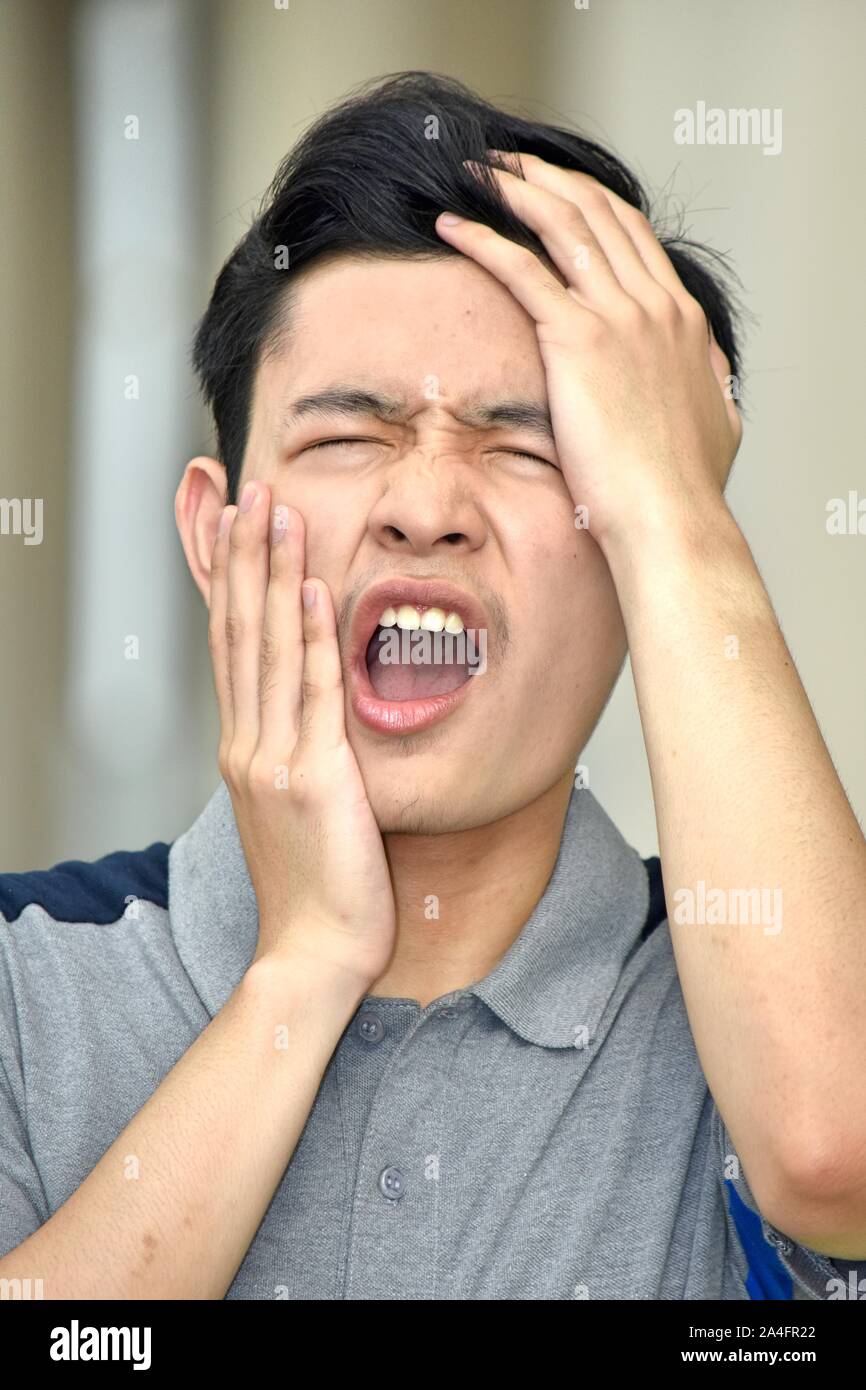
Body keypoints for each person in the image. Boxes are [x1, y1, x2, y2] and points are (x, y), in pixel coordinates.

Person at [1, 70, 864, 1301]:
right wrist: (298, 970)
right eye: (347, 437)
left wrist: (675, 511)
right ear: (213, 536)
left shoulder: (757, 1025)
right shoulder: (26, 980)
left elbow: (841, 1155)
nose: (423, 509)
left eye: (524, 445)